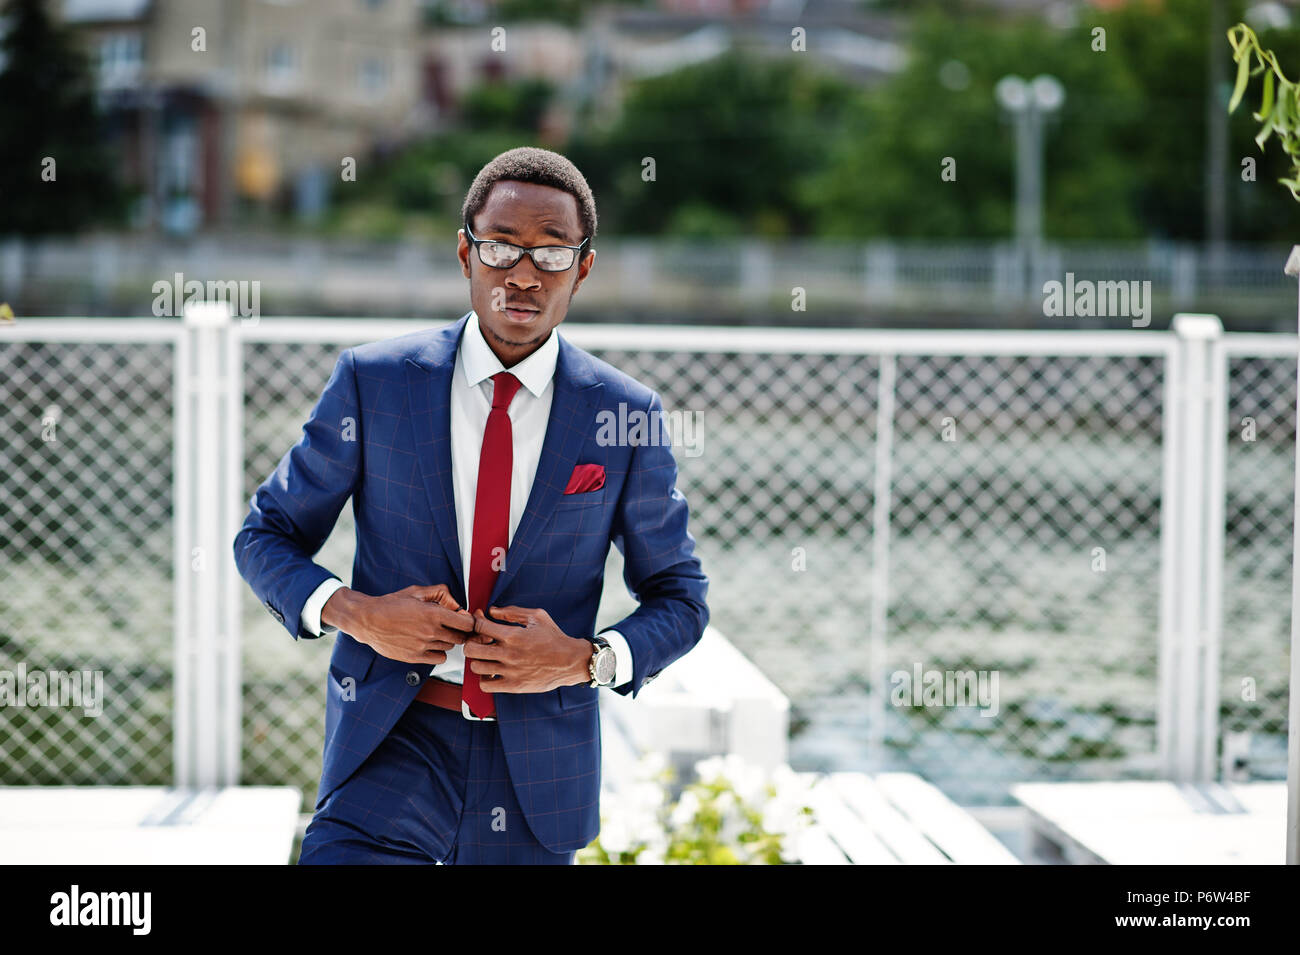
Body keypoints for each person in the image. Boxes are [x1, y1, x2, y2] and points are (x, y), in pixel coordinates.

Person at [233, 146, 709, 864]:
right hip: (388, 750)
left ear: (583, 267)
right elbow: (265, 535)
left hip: (538, 783)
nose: (523, 274)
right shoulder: (375, 383)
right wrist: (360, 614)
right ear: (465, 253)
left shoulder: (625, 414)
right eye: (500, 247)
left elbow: (681, 596)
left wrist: (585, 659)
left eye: (552, 253)